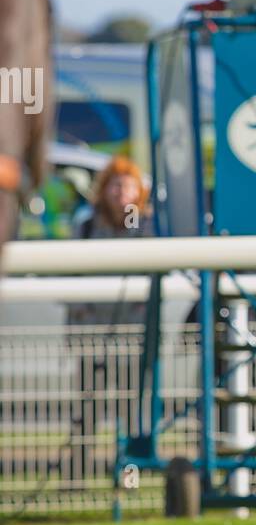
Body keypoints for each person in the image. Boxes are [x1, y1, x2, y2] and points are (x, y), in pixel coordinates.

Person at [66, 156, 154, 464]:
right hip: (93, 333)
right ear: (104, 190)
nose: (121, 193)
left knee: (131, 408)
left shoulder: (145, 226)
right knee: (88, 407)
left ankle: (129, 472)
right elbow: (71, 277)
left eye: (128, 185)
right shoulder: (87, 225)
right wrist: (83, 316)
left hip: (132, 333)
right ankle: (76, 476)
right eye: (115, 185)